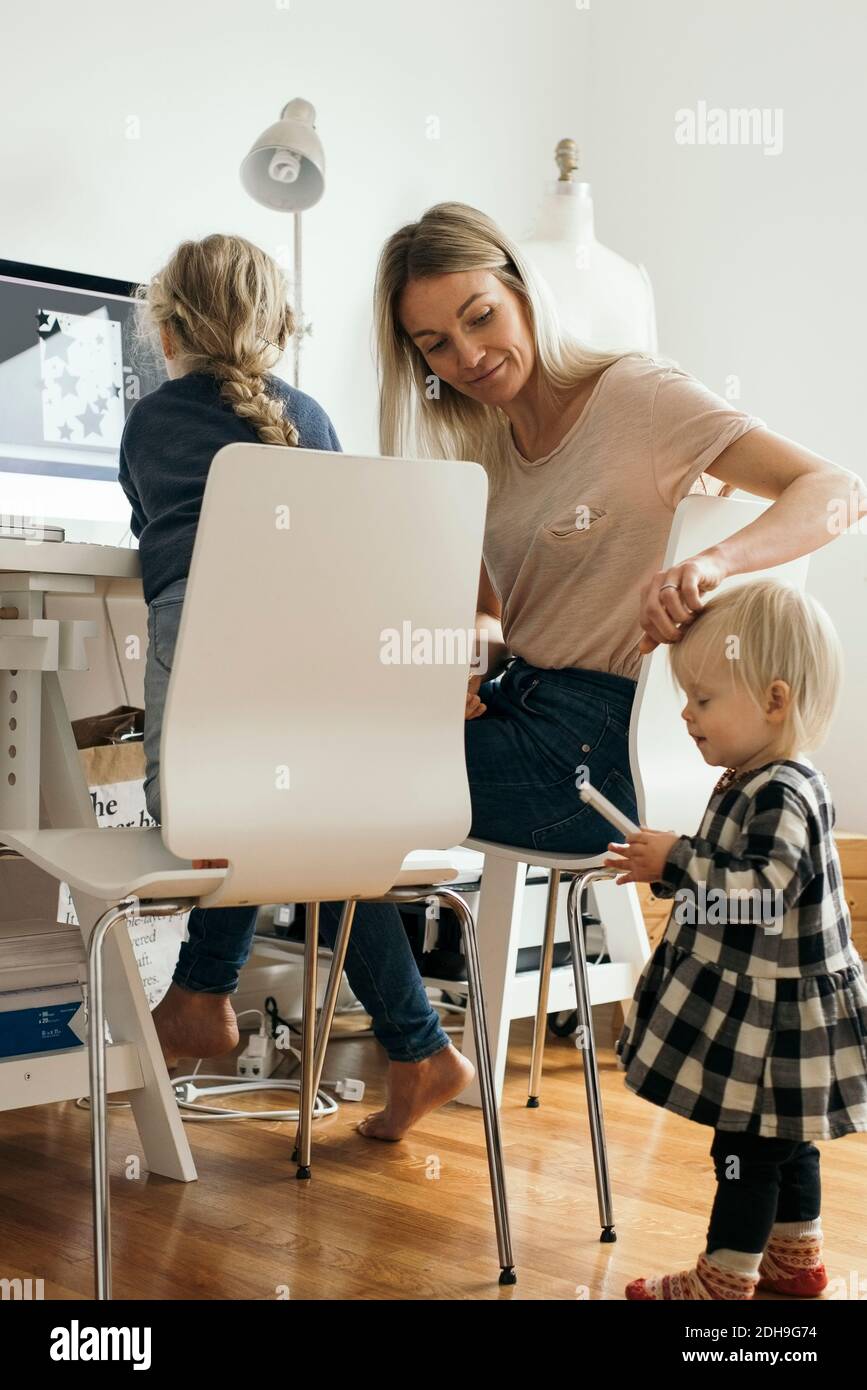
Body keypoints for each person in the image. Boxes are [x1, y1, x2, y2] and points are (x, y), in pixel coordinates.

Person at [606, 579, 867, 1300]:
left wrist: (679, 860)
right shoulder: (755, 777)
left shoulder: (780, 789)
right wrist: (670, 871)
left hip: (775, 1018)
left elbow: (761, 891)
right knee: (786, 1140)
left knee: (744, 1150)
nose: (686, 715)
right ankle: (795, 1256)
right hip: (777, 1010)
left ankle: (723, 1279)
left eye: (702, 699)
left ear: (773, 701)